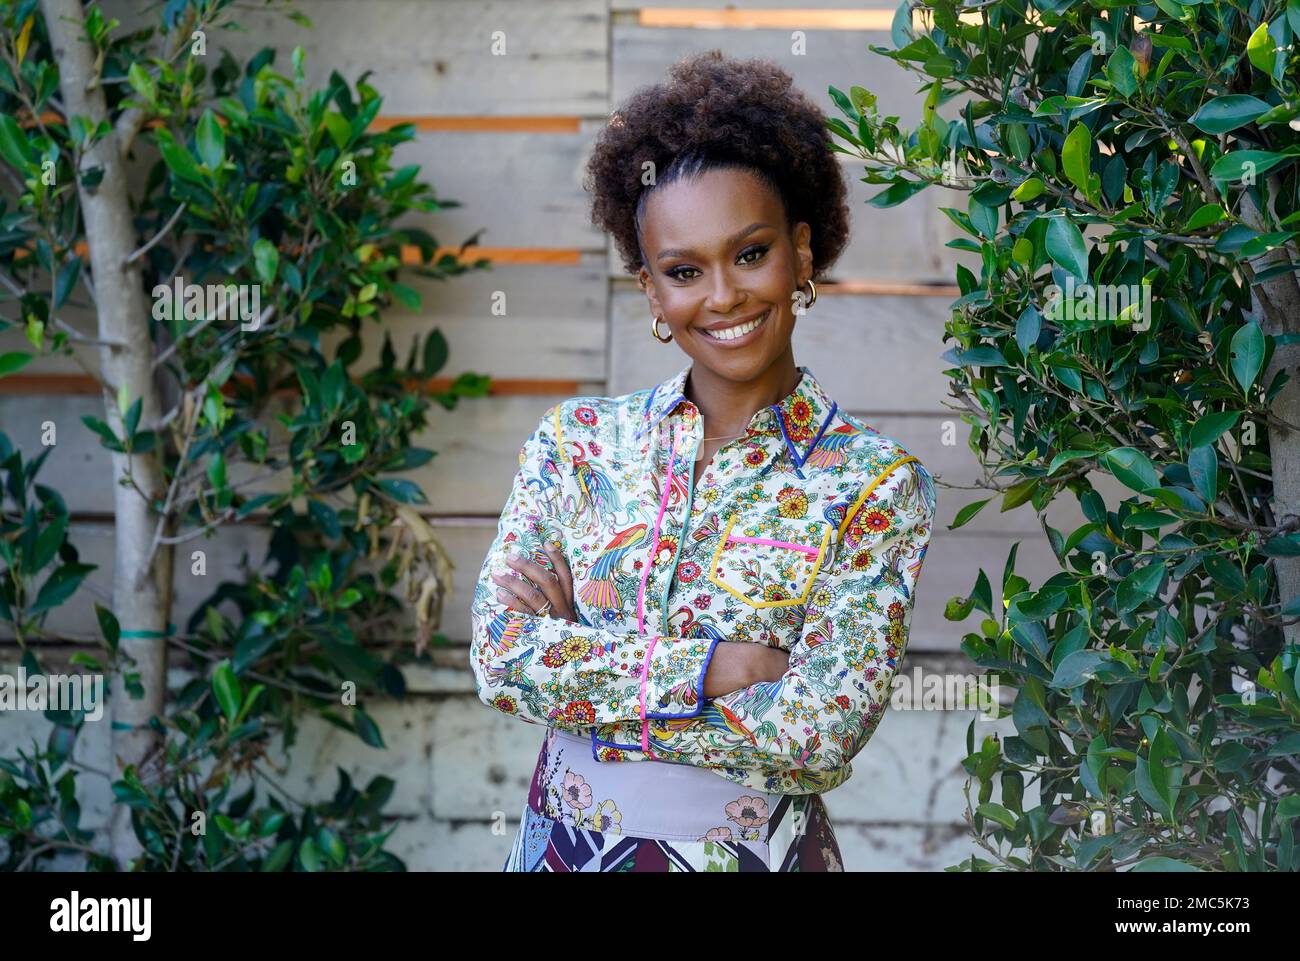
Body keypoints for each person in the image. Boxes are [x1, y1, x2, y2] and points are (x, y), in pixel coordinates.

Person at [469, 49, 936, 872]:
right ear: (652, 292)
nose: (722, 296)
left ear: (799, 252)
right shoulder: (577, 446)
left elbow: (818, 735)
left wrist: (581, 670)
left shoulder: (874, 483)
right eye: (684, 271)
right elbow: (502, 656)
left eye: (750, 253)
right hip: (559, 856)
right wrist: (723, 667)